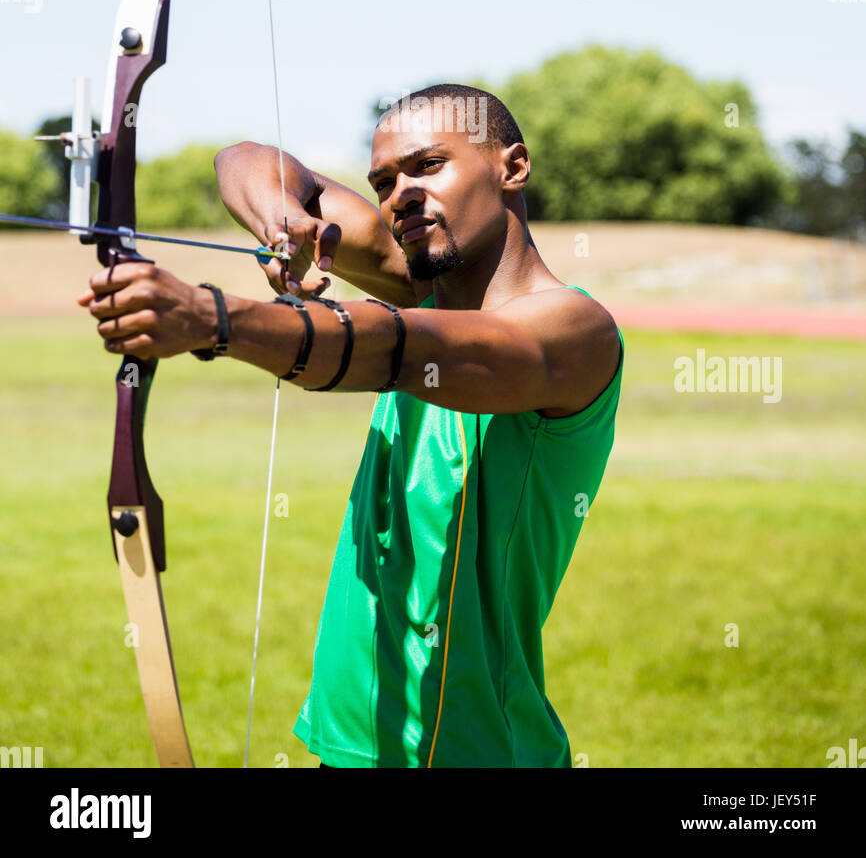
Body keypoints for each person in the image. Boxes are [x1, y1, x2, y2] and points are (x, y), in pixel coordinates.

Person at [80, 84, 624, 768]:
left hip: (476, 748)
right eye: (384, 182)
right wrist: (283, 219)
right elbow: (243, 158)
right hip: (350, 742)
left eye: (429, 166)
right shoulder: (420, 285)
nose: (401, 196)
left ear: (512, 167)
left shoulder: (576, 331)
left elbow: (398, 349)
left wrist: (213, 318)